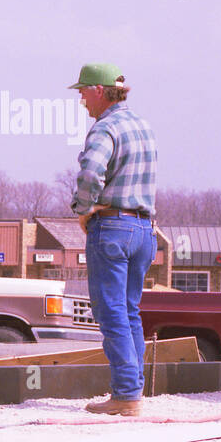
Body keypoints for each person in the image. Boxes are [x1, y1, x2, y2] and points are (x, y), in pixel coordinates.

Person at [69, 62, 158, 416]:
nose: (80, 100)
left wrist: (83, 209)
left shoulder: (105, 128)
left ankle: (125, 396)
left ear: (100, 91)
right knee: (130, 311)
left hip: (112, 229)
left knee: (111, 314)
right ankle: (133, 388)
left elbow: (91, 173)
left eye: (82, 92)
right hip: (144, 229)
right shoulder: (143, 126)